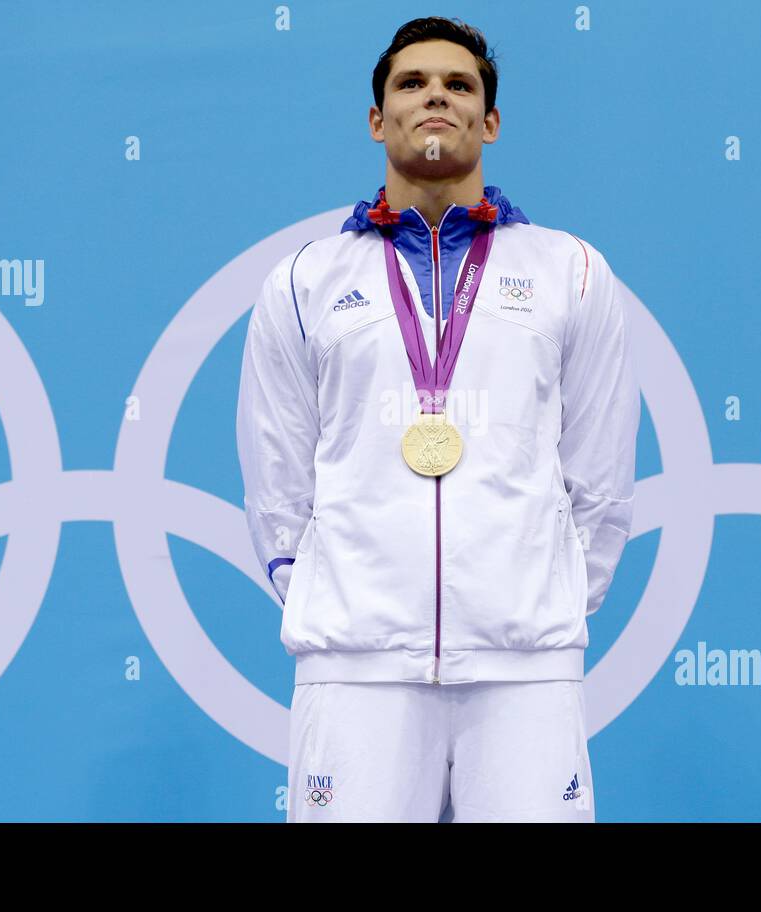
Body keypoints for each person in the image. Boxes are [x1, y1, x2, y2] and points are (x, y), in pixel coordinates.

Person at [235, 16, 639, 822]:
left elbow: (600, 473)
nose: (437, 98)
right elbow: (278, 476)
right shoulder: (303, 282)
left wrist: (542, 601)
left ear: (490, 121)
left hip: (524, 664)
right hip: (356, 664)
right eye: (412, 84)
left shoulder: (572, 273)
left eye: (460, 86)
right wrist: (332, 600)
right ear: (377, 119)